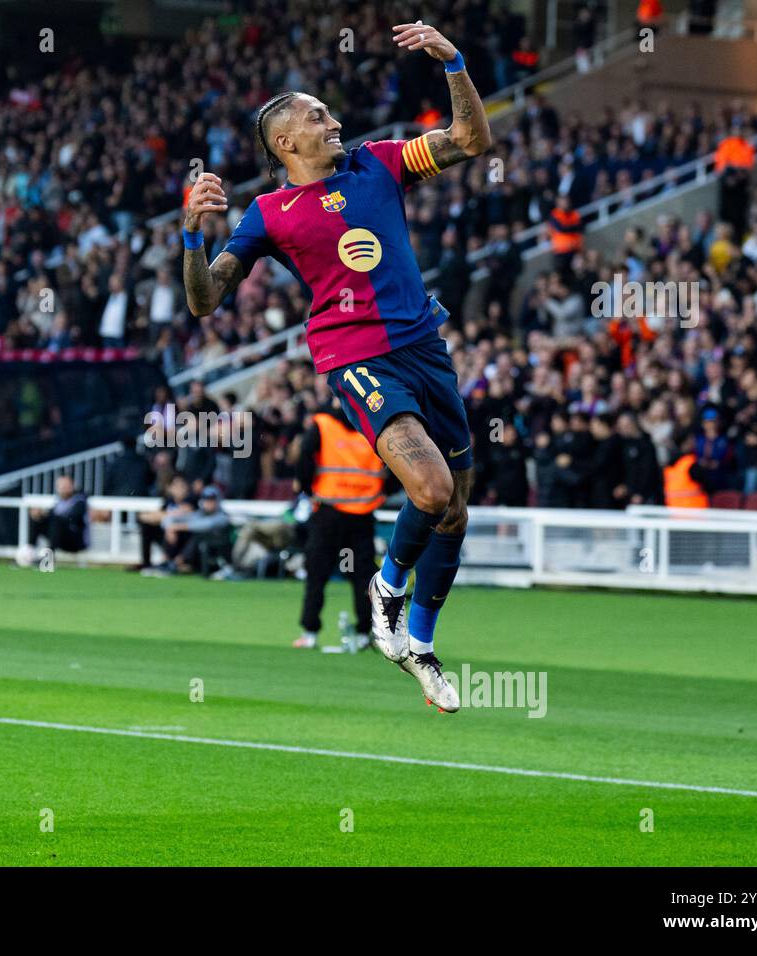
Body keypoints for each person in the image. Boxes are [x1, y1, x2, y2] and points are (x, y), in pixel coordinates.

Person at [182, 18, 491, 711]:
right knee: (433, 490)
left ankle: (420, 643)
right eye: (318, 116)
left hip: (424, 347)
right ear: (285, 141)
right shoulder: (267, 212)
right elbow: (205, 300)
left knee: (455, 510)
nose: (335, 121)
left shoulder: (379, 161)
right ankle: (386, 590)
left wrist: (453, 63)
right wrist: (190, 235)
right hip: (356, 353)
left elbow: (471, 140)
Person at [293, 401, 387, 649]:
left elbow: (304, 461)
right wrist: (381, 492)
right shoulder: (374, 426)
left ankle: (310, 632)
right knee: (363, 577)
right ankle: (365, 634)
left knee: (317, 573)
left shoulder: (322, 425)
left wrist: (307, 489)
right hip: (362, 513)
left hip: (328, 511)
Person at [29, 474, 89, 555]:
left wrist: (47, 515)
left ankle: (48, 557)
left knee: (56, 522)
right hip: (60, 538)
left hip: (76, 541)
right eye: (60, 486)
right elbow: (52, 516)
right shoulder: (58, 501)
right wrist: (41, 515)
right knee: (37, 519)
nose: (62, 489)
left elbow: (70, 518)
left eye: (65, 486)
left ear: (72, 486)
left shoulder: (80, 501)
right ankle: (29, 551)